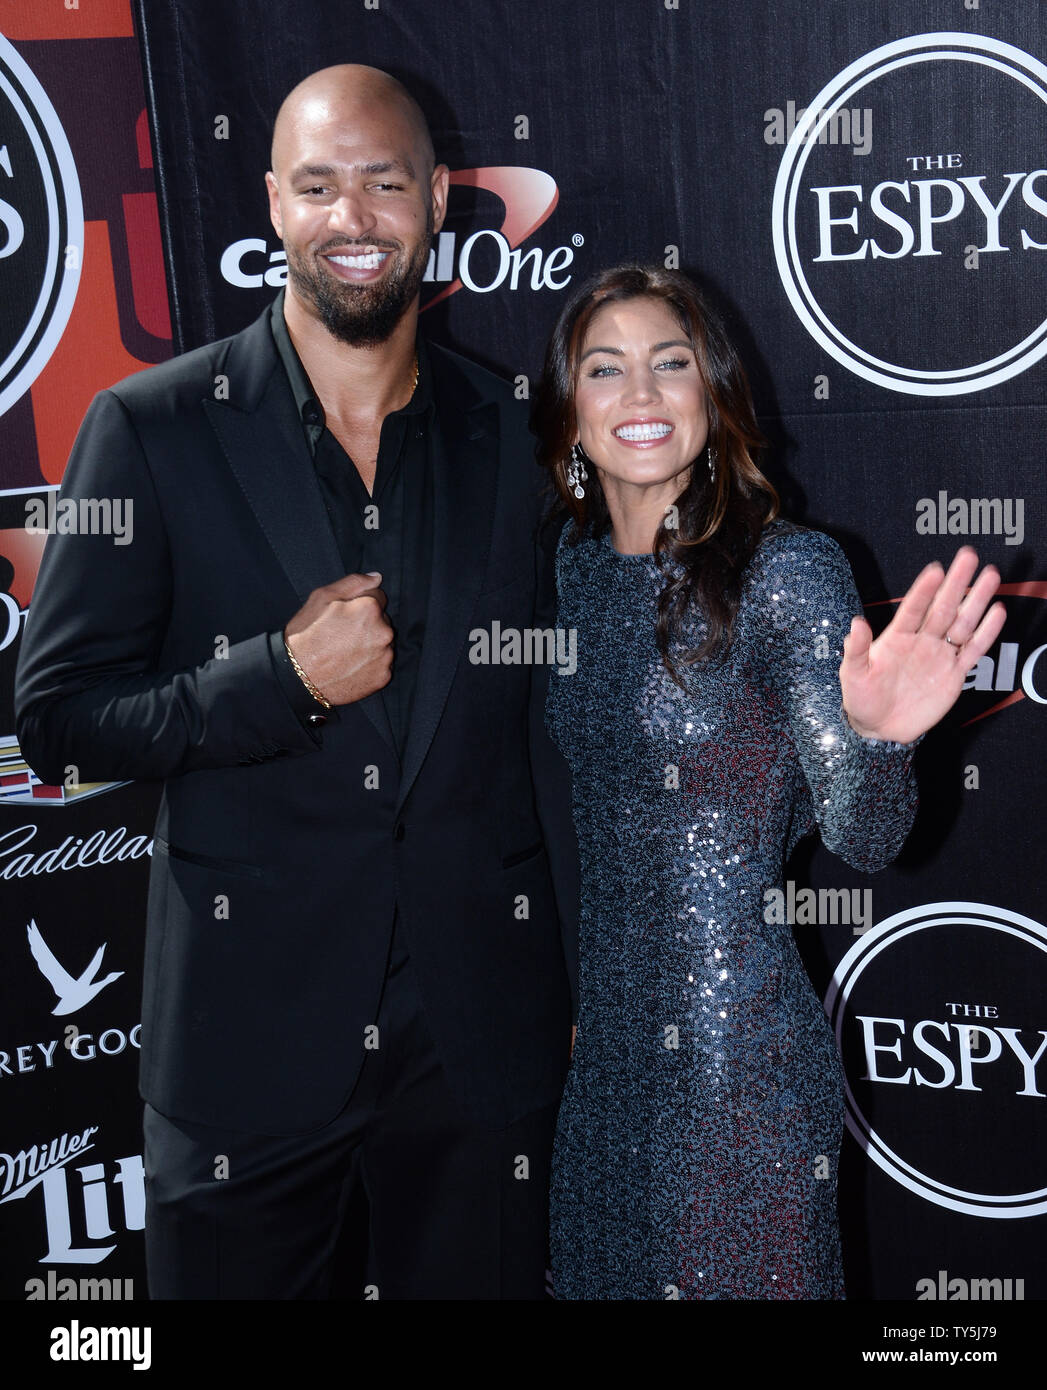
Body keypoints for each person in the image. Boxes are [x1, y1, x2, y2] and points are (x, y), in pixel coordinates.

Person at [15, 65, 578, 1300]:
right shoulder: (151, 427)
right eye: (319, 185)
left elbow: (549, 736)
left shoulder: (517, 434)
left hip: (477, 1050)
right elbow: (55, 721)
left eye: (384, 183)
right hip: (244, 1061)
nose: (353, 218)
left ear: (439, 201)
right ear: (273, 203)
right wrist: (276, 678)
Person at [532, 264, 1005, 1300]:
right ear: (570, 410)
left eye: (673, 364)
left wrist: (880, 740)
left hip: (738, 1076)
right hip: (600, 1076)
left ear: (716, 393)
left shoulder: (784, 571)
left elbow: (868, 837)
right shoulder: (560, 571)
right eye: (605, 370)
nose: (643, 396)